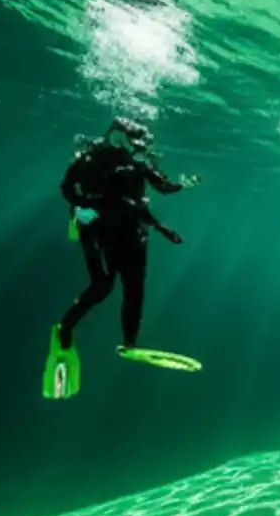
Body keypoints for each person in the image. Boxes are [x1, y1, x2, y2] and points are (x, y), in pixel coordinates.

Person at [44, 117, 200, 399]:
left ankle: (129, 342)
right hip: (97, 228)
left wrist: (183, 187)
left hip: (132, 230)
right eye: (135, 142)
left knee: (135, 287)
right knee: (103, 285)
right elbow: (67, 188)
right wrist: (79, 208)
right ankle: (65, 328)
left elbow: (161, 187)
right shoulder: (89, 160)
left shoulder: (139, 162)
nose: (140, 148)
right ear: (117, 136)